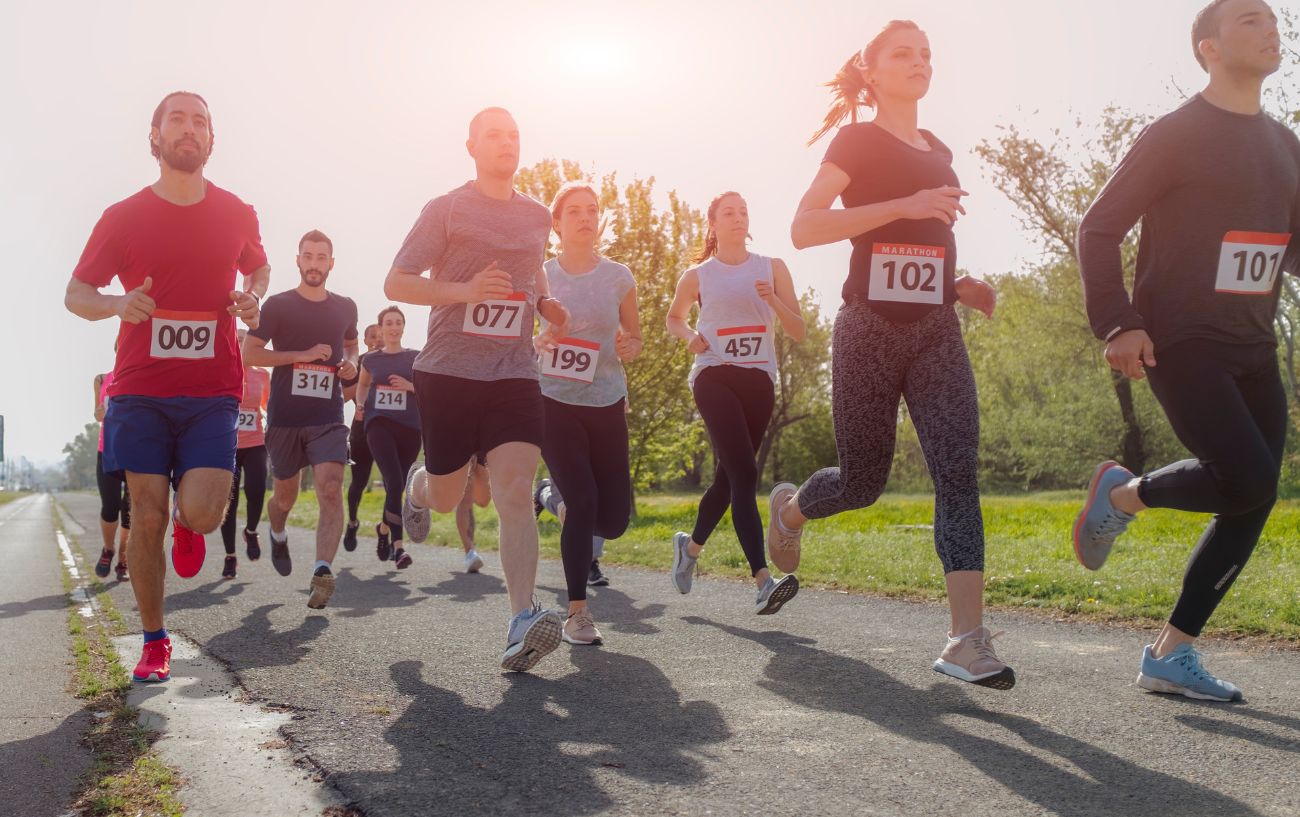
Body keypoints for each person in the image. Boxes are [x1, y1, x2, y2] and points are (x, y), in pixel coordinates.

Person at [770, 21, 1013, 689]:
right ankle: (790, 510)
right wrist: (901, 202)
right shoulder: (856, 140)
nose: (919, 62)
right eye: (902, 54)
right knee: (861, 483)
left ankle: (966, 638)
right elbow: (806, 225)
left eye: (927, 53)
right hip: (868, 329)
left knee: (957, 469)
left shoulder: (940, 149)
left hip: (936, 328)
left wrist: (960, 285)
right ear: (871, 72)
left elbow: (925, 247)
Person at [1074, 0, 1298, 703]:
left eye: (1273, 18)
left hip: (1252, 343)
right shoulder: (1176, 134)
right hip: (1182, 337)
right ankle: (1123, 494)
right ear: (1207, 47)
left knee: (1251, 494)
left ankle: (1172, 652)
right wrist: (1118, 322)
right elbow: (1098, 227)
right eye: (1249, 20)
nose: (1271, 28)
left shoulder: (1286, 144)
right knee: (1252, 478)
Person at [65, 90, 269, 681]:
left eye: (199, 121)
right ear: (154, 137)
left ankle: (191, 522)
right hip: (140, 391)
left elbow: (258, 263)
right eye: (175, 119)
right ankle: (155, 641)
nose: (189, 128)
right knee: (145, 517)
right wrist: (116, 303)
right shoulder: (123, 217)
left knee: (202, 513)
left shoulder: (236, 211)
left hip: (212, 391)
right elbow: (75, 294)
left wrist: (251, 293)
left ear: (211, 139)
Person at [385, 106, 571, 672]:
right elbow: (398, 282)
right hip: (448, 372)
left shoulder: (539, 215)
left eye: (514, 134)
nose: (506, 143)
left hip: (514, 372)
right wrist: (465, 290)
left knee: (515, 490)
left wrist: (543, 301)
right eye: (494, 135)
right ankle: (417, 492)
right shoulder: (446, 208)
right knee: (446, 497)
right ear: (471, 146)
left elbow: (531, 269)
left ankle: (520, 620)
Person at [666, 191, 806, 615]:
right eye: (729, 212)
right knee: (745, 473)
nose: (738, 218)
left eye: (744, 211)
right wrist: (690, 337)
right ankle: (764, 581)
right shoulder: (698, 275)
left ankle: (689, 548)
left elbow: (797, 330)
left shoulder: (772, 267)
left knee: (729, 480)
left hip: (759, 380)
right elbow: (674, 317)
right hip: (713, 373)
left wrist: (774, 299)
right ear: (713, 223)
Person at [531, 182, 642, 645]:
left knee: (613, 519)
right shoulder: (540, 274)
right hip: (553, 399)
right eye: (573, 211)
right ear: (556, 223)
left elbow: (634, 340)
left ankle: (548, 497)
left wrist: (628, 345)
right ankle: (577, 613)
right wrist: (537, 341)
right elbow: (521, 334)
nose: (584, 217)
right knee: (582, 502)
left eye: (592, 210)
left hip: (606, 399)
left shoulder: (620, 277)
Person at [243, 230, 358, 610]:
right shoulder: (277, 306)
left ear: (331, 263)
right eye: (307, 256)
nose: (314, 264)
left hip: (327, 416)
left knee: (330, 486)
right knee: (286, 496)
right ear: (298, 260)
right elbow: (249, 353)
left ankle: (322, 571)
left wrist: (350, 365)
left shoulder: (345, 307)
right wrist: (301, 354)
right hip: (285, 417)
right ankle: (276, 530)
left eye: (321, 257)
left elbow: (353, 344)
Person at [354, 307, 420, 569]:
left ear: (403, 327)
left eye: (398, 322)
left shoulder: (416, 357)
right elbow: (362, 384)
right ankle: (399, 548)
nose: (393, 327)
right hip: (378, 423)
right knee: (393, 482)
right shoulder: (370, 360)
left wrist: (410, 386)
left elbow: (430, 388)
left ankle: (383, 528)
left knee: (398, 486)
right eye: (388, 323)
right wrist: (360, 404)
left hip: (411, 427)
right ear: (380, 328)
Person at [218, 329, 270, 579]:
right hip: (227, 445)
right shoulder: (221, 371)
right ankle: (230, 557)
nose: (240, 344)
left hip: (256, 442)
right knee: (229, 502)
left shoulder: (262, 375)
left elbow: (270, 406)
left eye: (244, 340)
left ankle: (250, 531)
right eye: (236, 340)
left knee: (257, 489)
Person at [343, 323, 381, 551]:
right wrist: (365, 383)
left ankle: (387, 529)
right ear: (366, 341)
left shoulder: (399, 360)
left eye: (381, 336)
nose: (378, 340)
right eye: (373, 337)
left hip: (391, 429)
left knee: (394, 481)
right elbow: (343, 395)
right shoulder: (358, 363)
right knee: (359, 482)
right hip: (362, 428)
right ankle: (353, 522)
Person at [93, 367, 130, 582]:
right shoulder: (101, 379)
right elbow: (97, 414)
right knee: (110, 506)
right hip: (107, 450)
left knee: (129, 510)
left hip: (136, 450)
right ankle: (108, 549)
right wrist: (99, 412)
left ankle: (123, 561)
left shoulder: (144, 375)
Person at [457, 455, 492, 573]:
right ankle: (470, 552)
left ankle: (453, 492)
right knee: (466, 494)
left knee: (484, 500)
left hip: (484, 440)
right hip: (462, 440)